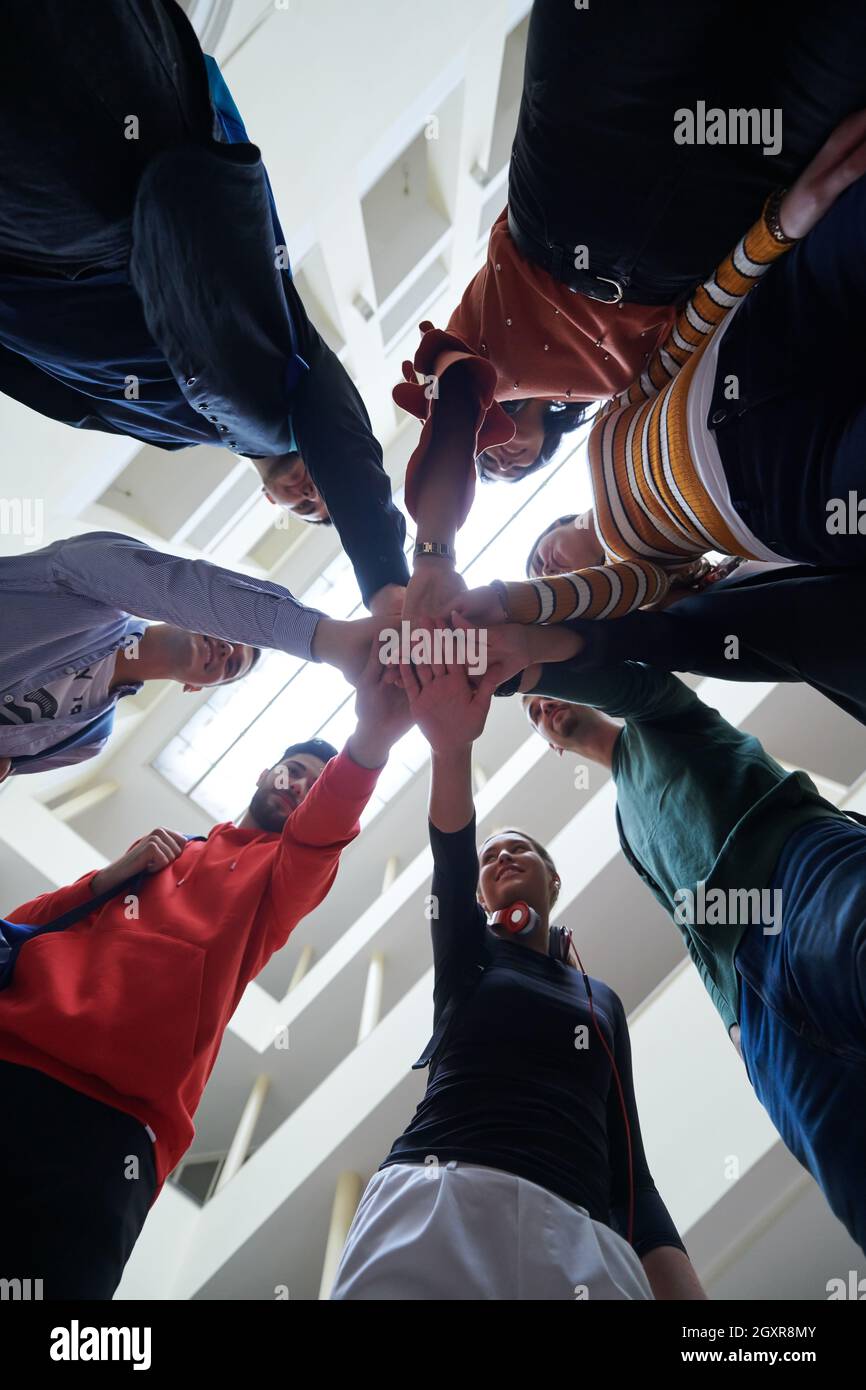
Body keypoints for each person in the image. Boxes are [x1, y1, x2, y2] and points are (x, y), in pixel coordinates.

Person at [0, 647, 412, 1299]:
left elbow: (324, 827)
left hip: (117, 1129)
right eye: (296, 770)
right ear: (266, 771)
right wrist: (112, 876)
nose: (301, 786)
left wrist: (372, 739)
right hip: (13, 1057)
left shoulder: (283, 879)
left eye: (314, 783)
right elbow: (25, 925)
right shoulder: (164, 854)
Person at [0, 1, 408, 615]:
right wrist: (388, 589)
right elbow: (344, 449)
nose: (309, 490)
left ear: (271, 504)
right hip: (103, 173)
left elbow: (62, 393)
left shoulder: (172, 435)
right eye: (328, 488)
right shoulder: (291, 375)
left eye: (304, 506)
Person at [330, 653, 703, 1300]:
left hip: (584, 1240)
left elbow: (631, 1174)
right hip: (436, 1202)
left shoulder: (600, 999)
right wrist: (451, 748)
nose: (501, 855)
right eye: (491, 854)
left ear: (552, 879)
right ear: (479, 894)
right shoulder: (468, 952)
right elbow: (450, 854)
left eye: (519, 848)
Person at [401, 108, 866, 624]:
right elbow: (604, 595)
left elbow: (684, 341)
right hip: (785, 497)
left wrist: (779, 228)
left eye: (534, 560)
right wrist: (503, 601)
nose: (542, 569)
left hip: (760, 337)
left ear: (556, 523)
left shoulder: (603, 427)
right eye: (542, 581)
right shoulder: (642, 577)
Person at [511, 660, 866, 1254]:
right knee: (849, 1169)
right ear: (549, 746)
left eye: (547, 695)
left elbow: (622, 680)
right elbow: (690, 932)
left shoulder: (655, 711)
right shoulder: (625, 823)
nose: (544, 707)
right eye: (533, 714)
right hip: (755, 1004)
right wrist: (733, 1023)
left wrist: (523, 664)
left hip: (796, 875)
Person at [0, 531, 383, 781]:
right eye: (230, 634)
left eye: (233, 666)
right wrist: (324, 638)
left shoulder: (87, 741)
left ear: (192, 687)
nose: (227, 649)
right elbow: (175, 585)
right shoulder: (95, 596)